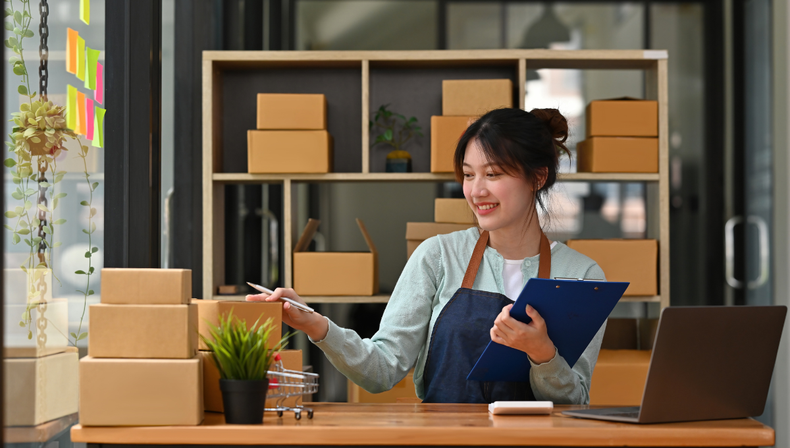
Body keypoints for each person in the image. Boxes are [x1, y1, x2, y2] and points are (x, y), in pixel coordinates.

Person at [247, 108, 606, 404]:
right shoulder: (438, 256)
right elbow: (382, 370)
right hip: (443, 442)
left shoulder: (582, 276)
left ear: (537, 177)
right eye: (468, 175)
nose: (476, 190)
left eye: (493, 174)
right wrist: (315, 325)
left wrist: (542, 353)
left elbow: (575, 400)